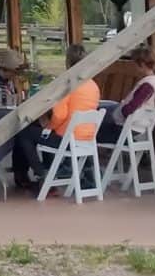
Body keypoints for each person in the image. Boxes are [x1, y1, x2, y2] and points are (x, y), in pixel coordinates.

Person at [13, 43, 103, 189]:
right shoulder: (93, 85)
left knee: (25, 133)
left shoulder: (69, 84)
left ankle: (42, 173)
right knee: (44, 132)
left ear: (68, 62)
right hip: (87, 138)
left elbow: (60, 115)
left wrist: (48, 127)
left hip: (66, 140)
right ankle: (48, 169)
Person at [100, 50, 155, 145]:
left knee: (90, 132)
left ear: (141, 64)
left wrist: (120, 109)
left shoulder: (147, 86)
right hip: (142, 129)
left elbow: (129, 110)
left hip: (128, 131)